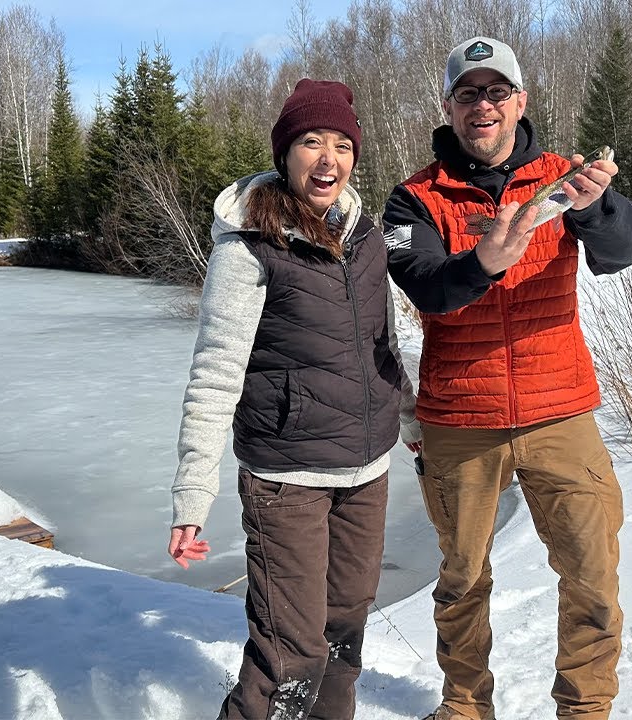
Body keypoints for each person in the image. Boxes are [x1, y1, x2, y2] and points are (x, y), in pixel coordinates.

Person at [382, 37, 632, 720]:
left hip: (560, 410)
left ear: (520, 101)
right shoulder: (414, 197)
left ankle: (586, 708)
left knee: (592, 575)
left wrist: (595, 208)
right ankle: (465, 705)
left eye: (496, 91)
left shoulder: (565, 178)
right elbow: (423, 283)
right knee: (461, 579)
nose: (483, 105)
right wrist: (485, 262)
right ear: (449, 106)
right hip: (458, 419)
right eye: (468, 93)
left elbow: (626, 250)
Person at [167, 78, 422, 720]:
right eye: (311, 142)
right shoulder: (250, 245)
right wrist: (193, 494)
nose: (328, 159)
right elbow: (215, 371)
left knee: (345, 632)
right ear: (284, 154)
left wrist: (411, 421)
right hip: (286, 476)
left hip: (366, 469)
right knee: (291, 653)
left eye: (343, 145)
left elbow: (382, 341)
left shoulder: (365, 238)